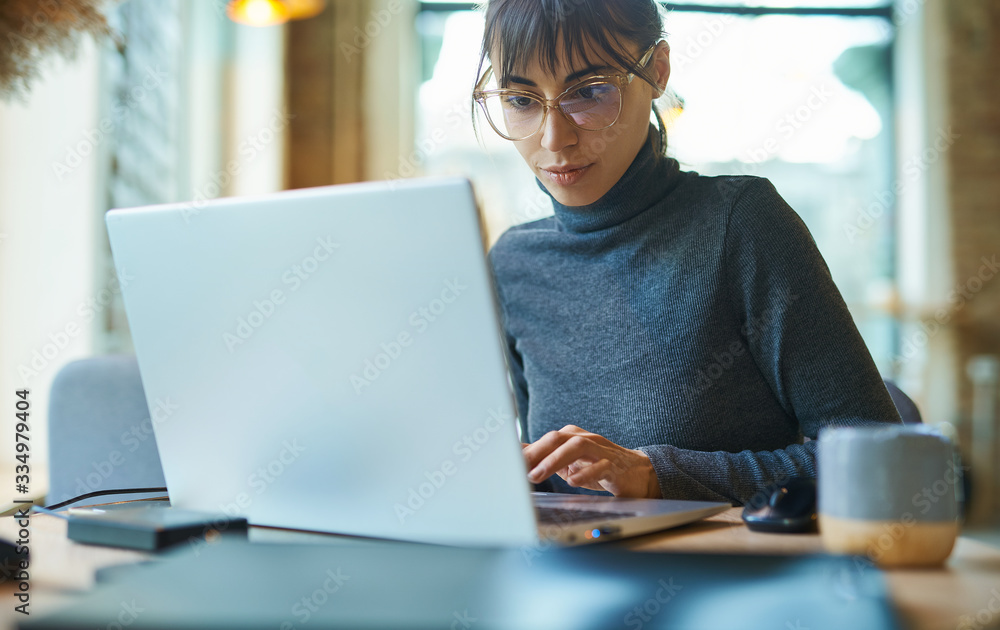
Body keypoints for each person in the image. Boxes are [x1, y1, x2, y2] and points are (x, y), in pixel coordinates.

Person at [473, 0, 902, 506]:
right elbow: (549, 487)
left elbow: (883, 461)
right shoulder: (513, 264)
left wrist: (660, 475)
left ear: (657, 70)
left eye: (589, 92)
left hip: (731, 576)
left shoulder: (741, 222)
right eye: (521, 99)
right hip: (566, 576)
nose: (554, 137)